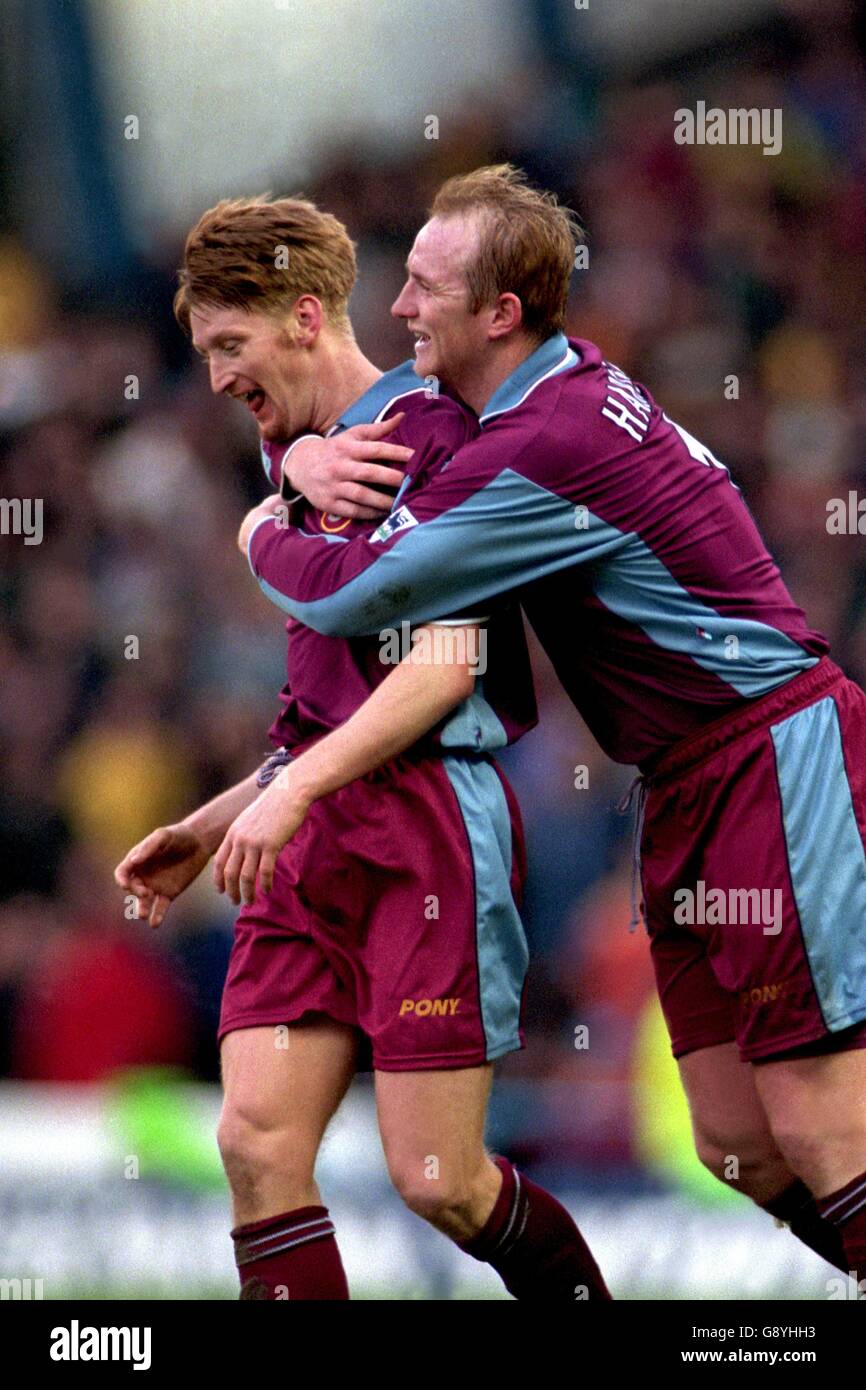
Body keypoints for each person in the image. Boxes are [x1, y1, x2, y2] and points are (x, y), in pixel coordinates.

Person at [232, 165, 866, 1285]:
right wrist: (306, 457)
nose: (398, 308)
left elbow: (347, 593)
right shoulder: (538, 399)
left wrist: (259, 519)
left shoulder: (538, 447)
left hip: (771, 757)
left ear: (499, 312)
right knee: (733, 1142)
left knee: (821, 1128)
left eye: (424, 288)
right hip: (685, 781)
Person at [115, 193, 611, 1301]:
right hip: (309, 827)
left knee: (439, 1181)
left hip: (427, 825)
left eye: (229, 346)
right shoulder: (287, 458)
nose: (216, 378)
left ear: (303, 317)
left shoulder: (438, 434)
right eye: (201, 354)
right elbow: (321, 704)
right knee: (253, 1144)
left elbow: (441, 669)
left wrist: (291, 795)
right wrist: (210, 824)